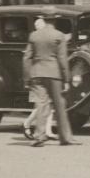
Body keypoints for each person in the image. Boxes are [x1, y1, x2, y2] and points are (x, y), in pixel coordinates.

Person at [24, 15, 76, 146]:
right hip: (54, 74)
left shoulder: (34, 35)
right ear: (55, 20)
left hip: (37, 73)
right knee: (59, 105)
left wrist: (27, 77)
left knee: (41, 104)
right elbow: (62, 59)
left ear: (44, 20)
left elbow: (26, 58)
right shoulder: (59, 35)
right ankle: (66, 138)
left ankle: (39, 137)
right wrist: (66, 79)